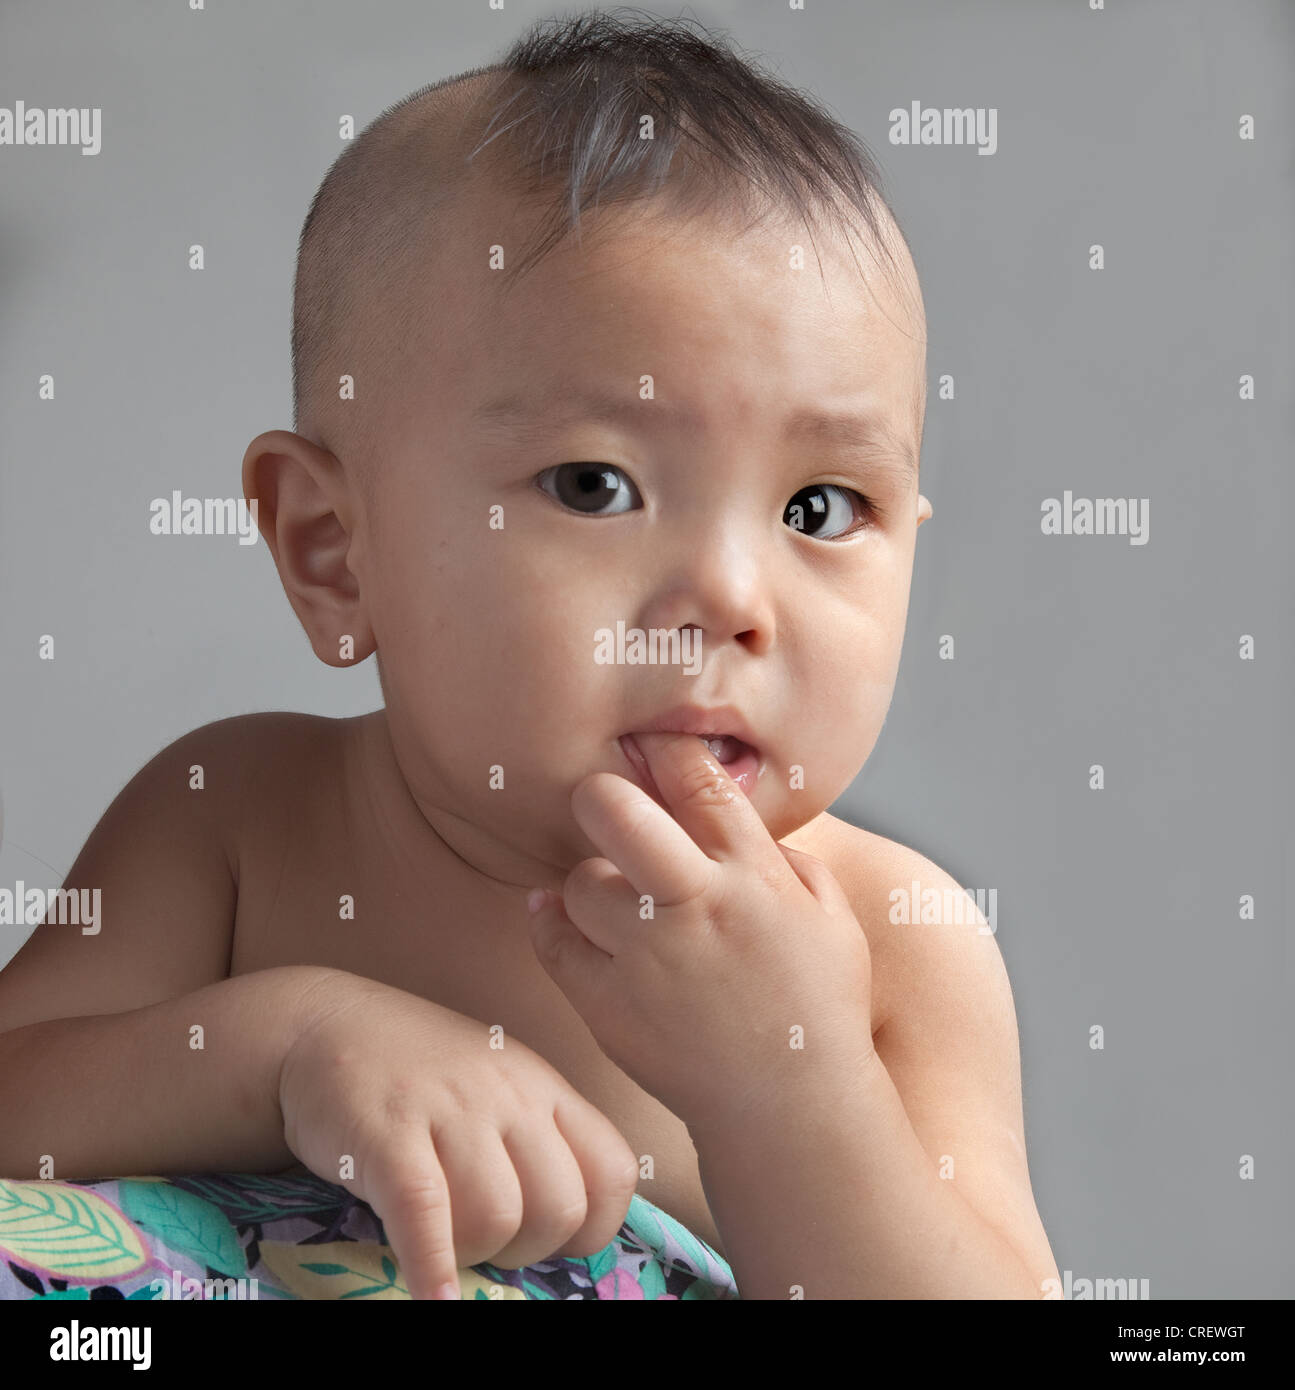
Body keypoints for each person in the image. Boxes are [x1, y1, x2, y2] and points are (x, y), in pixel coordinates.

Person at [0, 10, 1058, 1301]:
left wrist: (788, 1082)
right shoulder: (240, 819)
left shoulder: (898, 944)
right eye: (595, 483)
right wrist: (286, 1042)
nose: (731, 597)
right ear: (336, 549)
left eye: (819, 510)